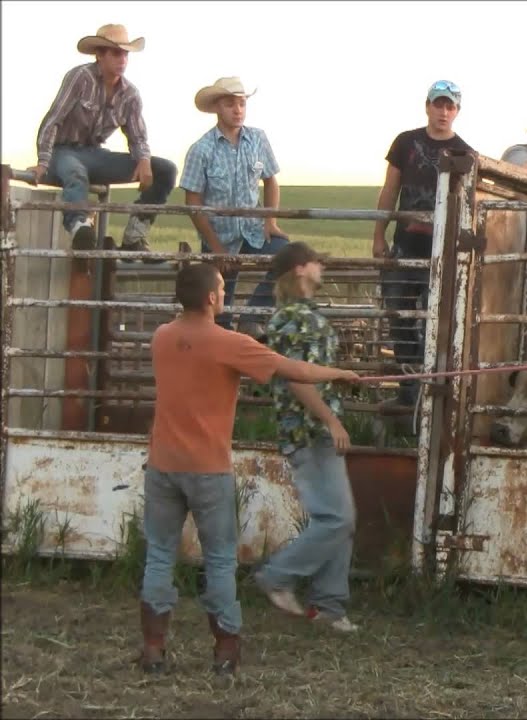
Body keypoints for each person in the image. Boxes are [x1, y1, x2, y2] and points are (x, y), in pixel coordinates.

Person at [139, 263, 360, 677]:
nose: (224, 294)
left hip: (163, 466)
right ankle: (225, 653)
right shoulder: (229, 343)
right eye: (221, 289)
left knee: (159, 555)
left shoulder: (162, 337)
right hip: (207, 469)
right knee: (220, 560)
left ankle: (153, 650)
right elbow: (295, 370)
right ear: (210, 298)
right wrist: (340, 373)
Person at [254, 242, 359, 633]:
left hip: (312, 428)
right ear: (300, 269)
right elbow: (296, 378)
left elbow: (310, 374)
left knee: (339, 518)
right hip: (309, 430)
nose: (321, 267)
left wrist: (337, 383)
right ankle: (278, 575)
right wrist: (331, 420)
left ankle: (329, 606)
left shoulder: (301, 316)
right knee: (337, 518)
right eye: (317, 261)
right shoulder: (296, 319)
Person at [31, 24, 177, 258]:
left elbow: (137, 134)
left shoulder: (130, 94)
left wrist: (144, 159)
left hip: (96, 154)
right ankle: (80, 228)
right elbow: (53, 119)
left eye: (125, 53)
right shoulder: (80, 77)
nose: (123, 59)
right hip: (64, 151)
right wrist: (43, 161)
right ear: (99, 55)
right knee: (75, 172)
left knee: (166, 170)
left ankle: (134, 236)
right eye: (116, 53)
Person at [373, 79, 474, 408]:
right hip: (404, 244)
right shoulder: (406, 143)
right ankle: (408, 393)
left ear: (457, 111)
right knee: (399, 317)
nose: (443, 112)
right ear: (427, 106)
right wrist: (378, 235)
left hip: (441, 251)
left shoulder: (465, 153)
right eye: (438, 104)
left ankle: (428, 398)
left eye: (450, 106)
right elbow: (390, 189)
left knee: (436, 321)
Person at [180, 77, 286, 336]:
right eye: (230, 104)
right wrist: (216, 248)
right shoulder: (201, 150)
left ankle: (251, 316)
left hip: (253, 230)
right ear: (217, 107)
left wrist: (270, 222)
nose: (238, 110)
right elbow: (193, 202)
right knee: (219, 310)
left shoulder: (258, 139)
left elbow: (271, 181)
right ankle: (225, 353)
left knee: (289, 257)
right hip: (220, 236)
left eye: (241, 104)